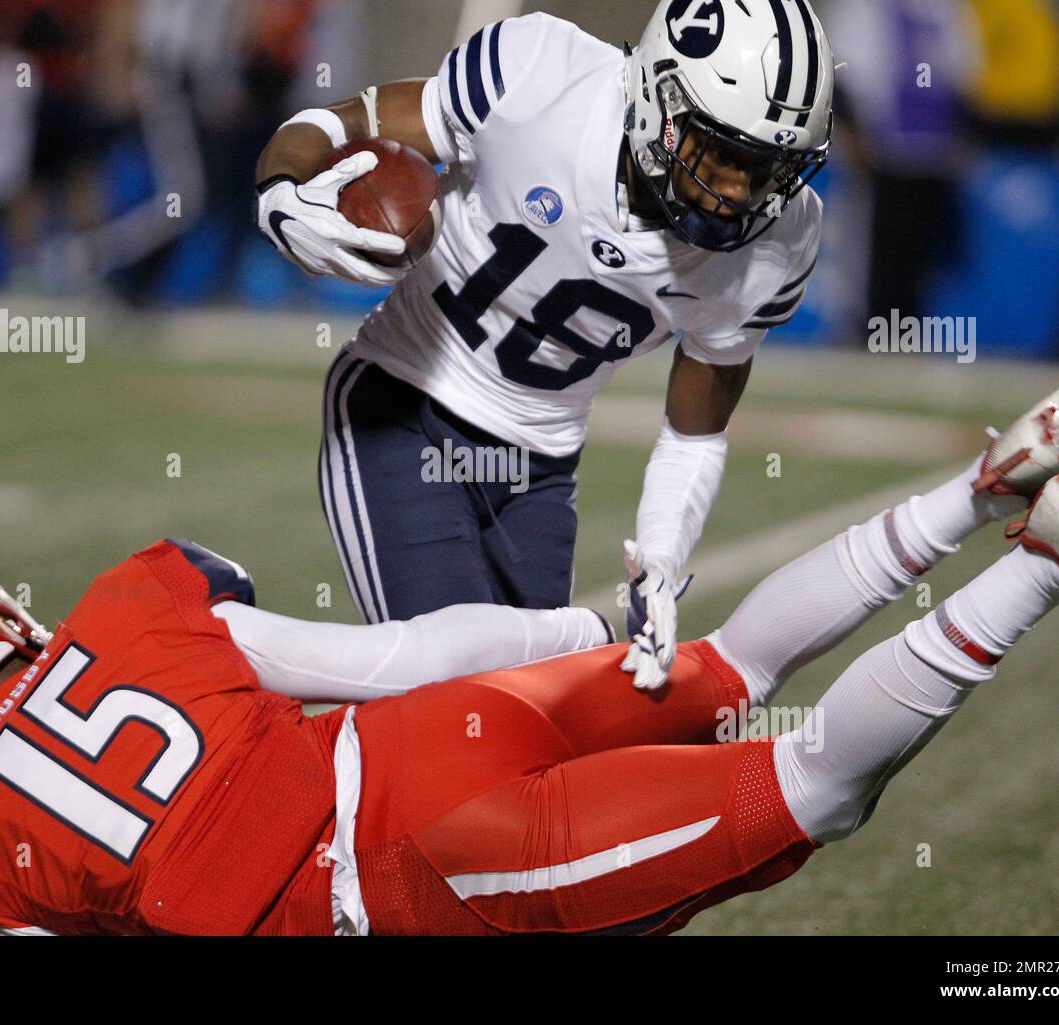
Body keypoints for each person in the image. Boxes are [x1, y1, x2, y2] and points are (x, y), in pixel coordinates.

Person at [0, 385, 1059, 935]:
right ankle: (977, 491)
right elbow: (394, 658)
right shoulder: (133, 608)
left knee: (808, 790)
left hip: (414, 865)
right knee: (726, 668)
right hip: (432, 734)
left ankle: (1038, 562)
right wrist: (580, 643)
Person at [254, 1, 836, 691]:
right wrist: (279, 190)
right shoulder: (539, 77)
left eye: (767, 168)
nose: (738, 193)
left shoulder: (781, 239)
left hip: (540, 471)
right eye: (722, 153)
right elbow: (350, 120)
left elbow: (694, 433)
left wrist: (660, 557)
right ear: (659, 99)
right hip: (404, 402)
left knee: (531, 715)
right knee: (450, 701)